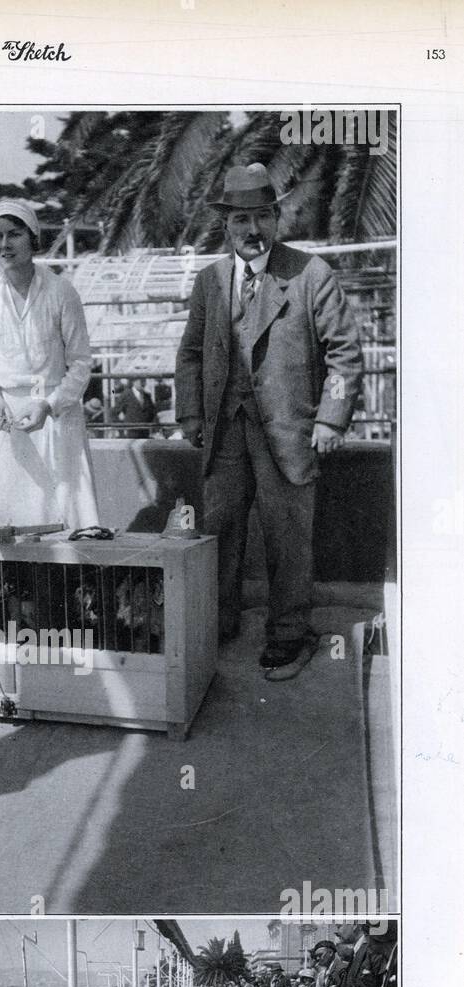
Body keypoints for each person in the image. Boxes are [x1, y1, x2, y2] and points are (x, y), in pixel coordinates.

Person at [175, 163, 363, 674]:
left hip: (288, 432)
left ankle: (289, 633)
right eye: (241, 219)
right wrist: (190, 412)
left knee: (287, 537)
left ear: (277, 218)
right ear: (226, 225)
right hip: (224, 431)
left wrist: (331, 419)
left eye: (261, 217)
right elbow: (191, 352)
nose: (252, 229)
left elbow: (345, 354)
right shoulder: (210, 281)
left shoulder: (310, 274)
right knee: (220, 531)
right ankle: (219, 622)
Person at [0, 198, 100, 531]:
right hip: (7, 421)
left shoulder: (61, 292)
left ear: (33, 238)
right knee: (4, 522)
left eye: (14, 234)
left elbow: (81, 363)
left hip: (56, 417)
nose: (5, 244)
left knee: (67, 518)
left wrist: (49, 405)